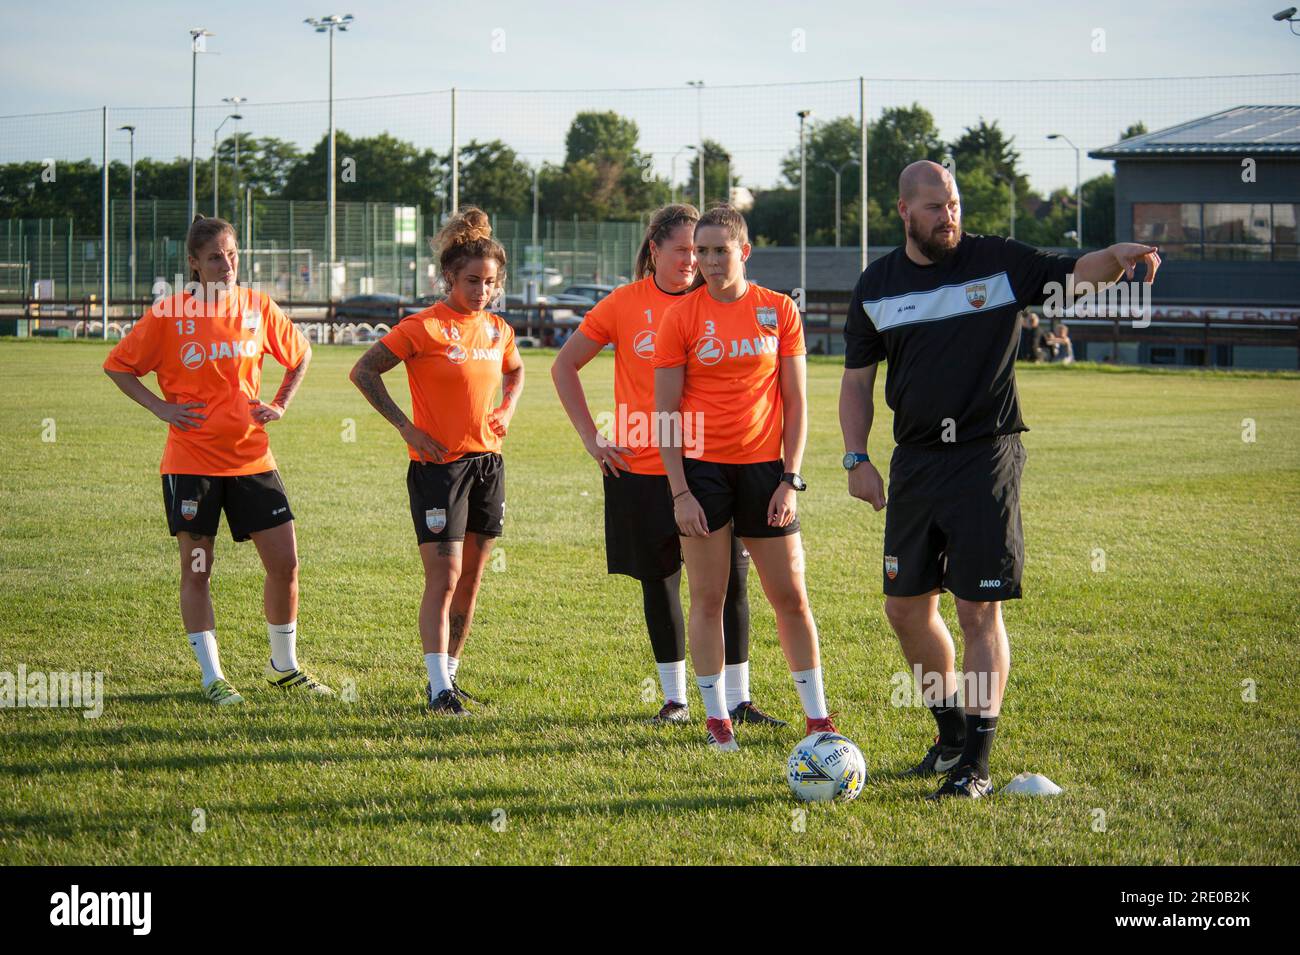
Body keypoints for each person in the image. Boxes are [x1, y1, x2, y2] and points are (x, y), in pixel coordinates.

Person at [839, 160, 1159, 798]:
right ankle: (949, 733)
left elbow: (1074, 273)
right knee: (904, 608)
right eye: (934, 207)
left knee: (975, 607)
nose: (948, 216)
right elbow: (856, 381)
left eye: (953, 203)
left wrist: (1118, 256)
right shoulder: (876, 285)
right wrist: (856, 457)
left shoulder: (999, 261)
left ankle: (975, 764)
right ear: (904, 212)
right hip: (916, 460)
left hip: (986, 456)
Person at [551, 204, 784, 727]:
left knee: (728, 585)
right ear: (655, 250)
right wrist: (594, 440)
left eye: (698, 250)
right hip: (639, 469)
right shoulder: (622, 303)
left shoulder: (716, 304)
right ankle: (676, 699)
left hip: (709, 467)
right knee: (659, 581)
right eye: (682, 249)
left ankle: (738, 699)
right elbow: (564, 366)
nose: (692, 260)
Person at [103, 214, 332, 705]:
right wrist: (161, 408)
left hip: (253, 459)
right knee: (198, 568)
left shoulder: (257, 306)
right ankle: (212, 677)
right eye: (214, 257)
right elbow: (118, 365)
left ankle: (283, 666)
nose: (226, 265)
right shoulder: (169, 314)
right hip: (192, 464)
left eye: (232, 255)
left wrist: (282, 401)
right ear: (193, 263)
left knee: (285, 563)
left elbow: (300, 355)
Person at [653, 205, 839, 752]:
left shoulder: (778, 311)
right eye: (700, 251)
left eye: (719, 250)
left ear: (744, 252)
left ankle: (818, 719)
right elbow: (665, 414)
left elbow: (796, 402)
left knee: (791, 598)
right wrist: (680, 491)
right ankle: (717, 722)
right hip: (703, 474)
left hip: (766, 472)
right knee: (708, 598)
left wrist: (791, 477)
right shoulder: (681, 317)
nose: (708, 261)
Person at [349, 207, 524, 716]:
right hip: (438, 469)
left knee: (471, 578)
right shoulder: (422, 327)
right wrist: (406, 427)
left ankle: (450, 680)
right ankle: (435, 688)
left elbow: (515, 374)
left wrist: (507, 409)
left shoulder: (498, 331)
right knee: (444, 578)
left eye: (490, 282)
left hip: (487, 467)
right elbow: (364, 372)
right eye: (472, 281)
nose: (481, 291)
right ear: (448, 277)